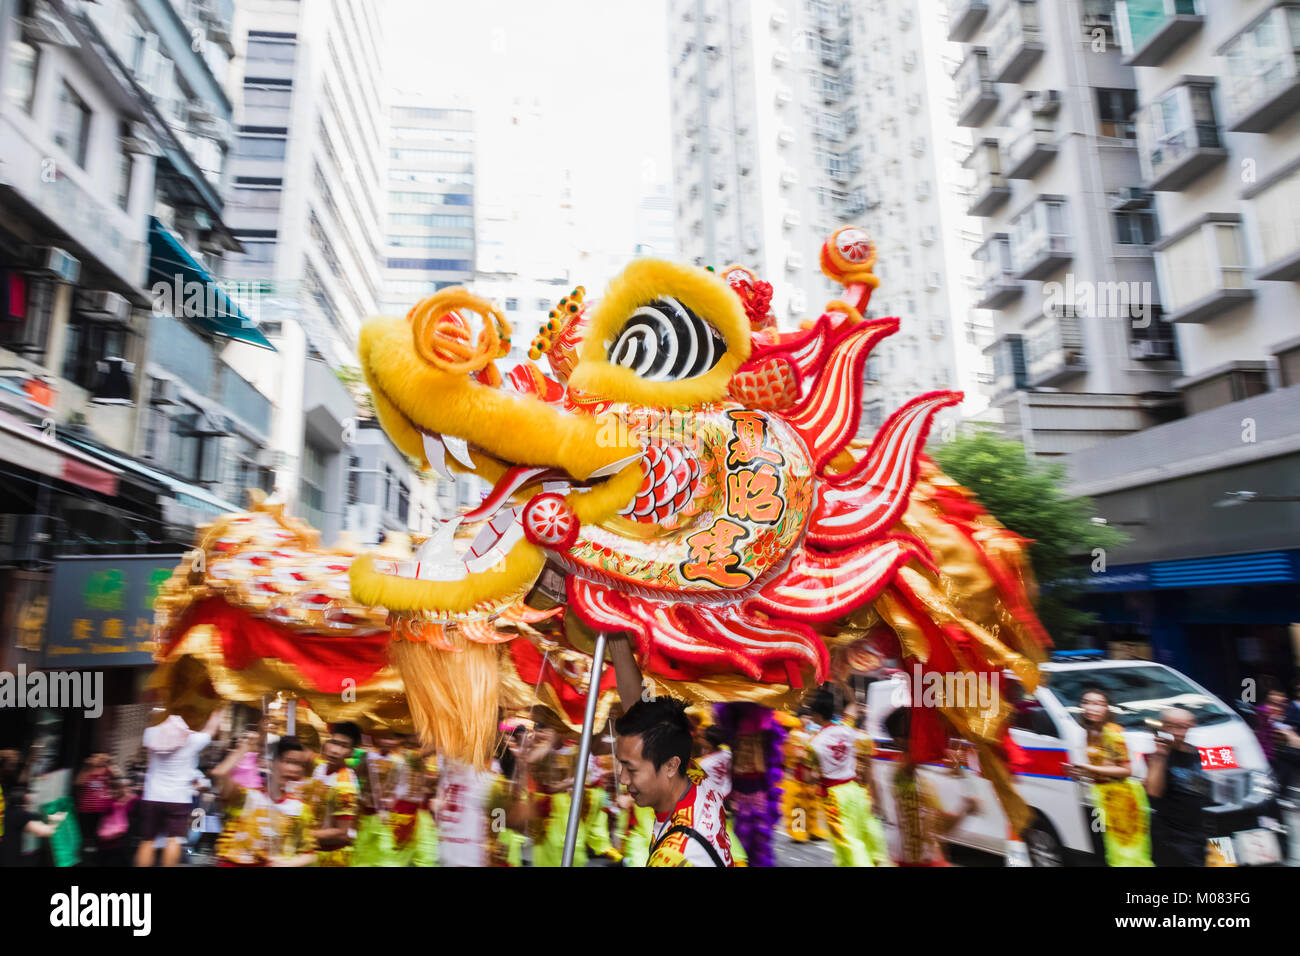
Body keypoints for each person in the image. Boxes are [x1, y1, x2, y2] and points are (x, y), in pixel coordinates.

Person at [608, 632, 734, 867]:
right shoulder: (693, 779)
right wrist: (615, 635)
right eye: (622, 765)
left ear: (670, 765)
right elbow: (639, 710)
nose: (623, 779)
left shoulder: (673, 858)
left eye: (631, 769)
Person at [1066, 687, 1152, 867]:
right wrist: (1079, 772)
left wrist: (1088, 768)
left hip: (1121, 799)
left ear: (1107, 708)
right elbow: (1100, 769)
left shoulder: (1112, 732)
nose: (1091, 708)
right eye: (1087, 703)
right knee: (1105, 849)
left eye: (1098, 704)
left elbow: (1125, 770)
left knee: (1126, 854)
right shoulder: (1088, 732)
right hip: (1100, 798)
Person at [885, 706, 978, 866]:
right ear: (899, 741)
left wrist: (965, 809)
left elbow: (941, 827)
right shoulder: (901, 775)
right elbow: (913, 760)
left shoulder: (923, 782)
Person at [135, 707, 224, 867]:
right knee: (174, 839)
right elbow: (211, 729)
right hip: (177, 798)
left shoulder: (151, 733)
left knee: (147, 840)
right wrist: (218, 709)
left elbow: (153, 719)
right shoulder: (192, 740)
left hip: (151, 796)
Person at [212, 732, 316, 866]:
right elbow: (220, 773)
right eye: (288, 761)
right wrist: (245, 747)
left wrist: (289, 863)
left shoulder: (299, 808)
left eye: (300, 764)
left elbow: (309, 854)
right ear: (271, 762)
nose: (294, 769)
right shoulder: (247, 797)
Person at [808, 689, 884, 867]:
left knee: (847, 844)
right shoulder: (847, 728)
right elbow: (853, 706)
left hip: (834, 800)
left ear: (817, 715)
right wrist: (843, 684)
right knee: (864, 837)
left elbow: (810, 776)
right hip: (856, 793)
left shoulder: (813, 743)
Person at [1144, 706, 1211, 867]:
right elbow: (1153, 792)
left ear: (1191, 727)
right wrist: (1160, 755)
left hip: (1199, 832)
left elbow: (1201, 791)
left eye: (1182, 726)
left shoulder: (1196, 753)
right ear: (1163, 726)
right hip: (1172, 837)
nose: (1176, 731)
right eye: (1170, 726)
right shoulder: (1160, 753)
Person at [352, 730, 424, 866]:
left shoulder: (398, 761)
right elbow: (356, 776)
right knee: (362, 848)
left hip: (386, 815)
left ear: (396, 741)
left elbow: (400, 784)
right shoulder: (368, 756)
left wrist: (392, 799)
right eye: (383, 737)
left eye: (391, 739)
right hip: (365, 812)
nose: (387, 741)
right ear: (377, 738)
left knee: (385, 851)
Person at [301, 722, 361, 867]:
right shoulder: (320, 768)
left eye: (343, 746)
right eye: (333, 742)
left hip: (330, 856)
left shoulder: (345, 783)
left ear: (351, 752)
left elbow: (342, 832)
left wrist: (303, 834)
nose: (335, 750)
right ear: (327, 743)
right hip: (311, 850)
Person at [74, 752, 117, 865]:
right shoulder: (87, 771)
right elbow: (78, 782)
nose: (98, 760)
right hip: (85, 809)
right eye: (96, 757)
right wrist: (87, 767)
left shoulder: (107, 770)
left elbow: (117, 774)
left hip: (101, 809)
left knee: (97, 836)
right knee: (85, 836)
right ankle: (84, 859)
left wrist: (109, 762)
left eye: (100, 758)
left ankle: (96, 859)